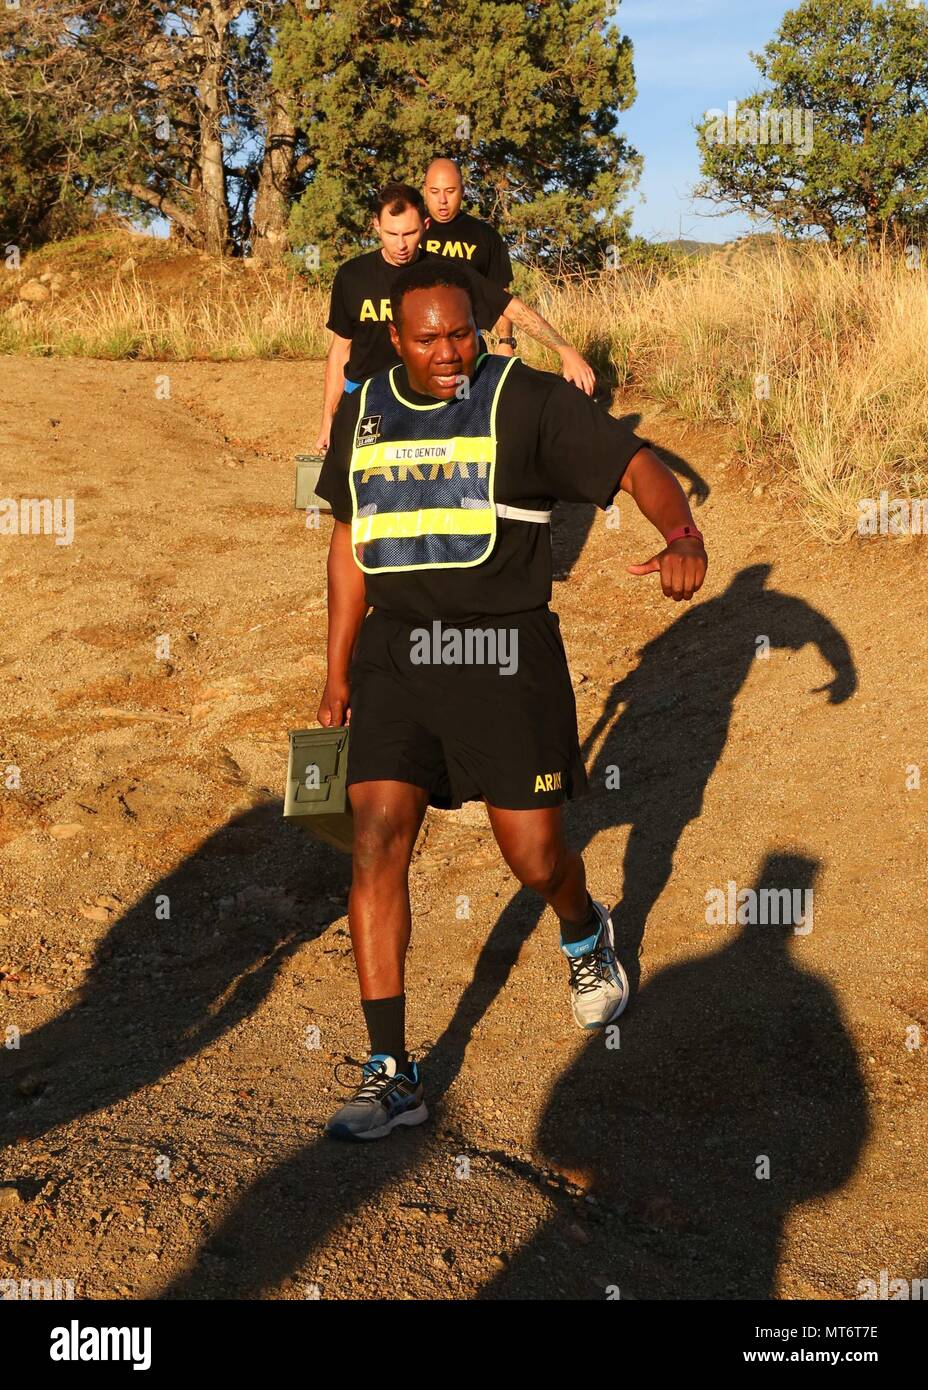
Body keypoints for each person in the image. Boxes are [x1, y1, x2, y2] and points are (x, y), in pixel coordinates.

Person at [313, 259, 708, 1141]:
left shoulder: (526, 400)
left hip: (504, 655)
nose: (449, 352)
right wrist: (337, 670)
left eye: (462, 333)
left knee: (533, 856)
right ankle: (393, 1070)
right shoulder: (364, 410)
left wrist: (681, 532)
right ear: (396, 342)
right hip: (395, 659)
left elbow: (633, 462)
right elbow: (349, 539)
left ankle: (583, 929)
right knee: (375, 843)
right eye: (428, 339)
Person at [315, 181, 593, 451]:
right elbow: (341, 350)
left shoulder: (449, 273)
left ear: (425, 226)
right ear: (376, 226)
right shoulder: (352, 276)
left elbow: (510, 307)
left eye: (410, 234)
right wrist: (328, 418)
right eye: (392, 233)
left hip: (430, 397)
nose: (401, 244)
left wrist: (564, 350)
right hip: (370, 397)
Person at [421, 157, 515, 355]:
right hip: (419, 340)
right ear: (424, 190)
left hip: (468, 342)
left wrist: (505, 341)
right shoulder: (411, 231)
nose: (442, 200)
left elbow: (501, 294)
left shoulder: (486, 236)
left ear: (462, 191)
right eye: (435, 192)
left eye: (450, 191)